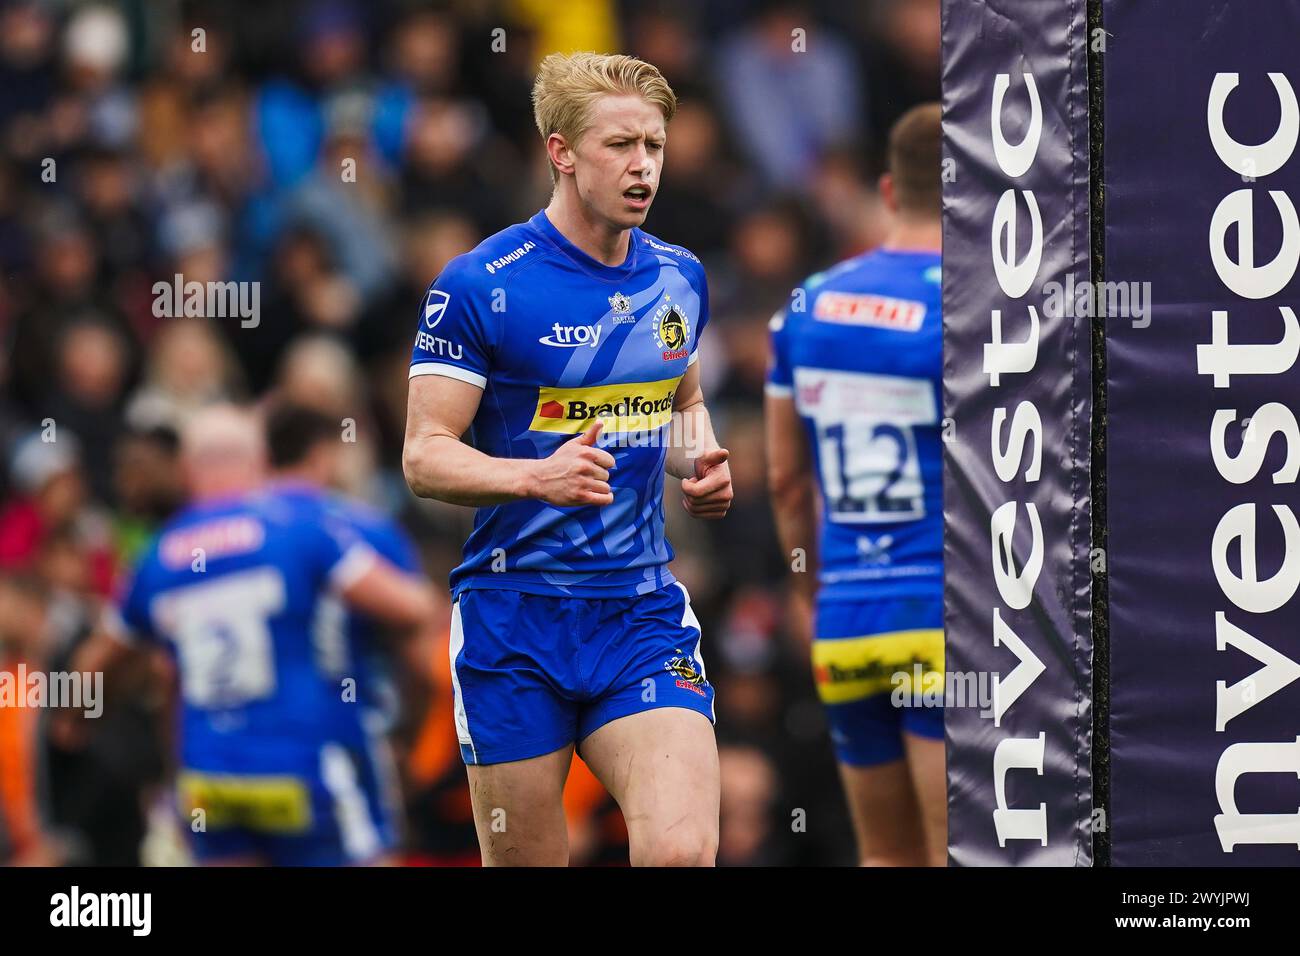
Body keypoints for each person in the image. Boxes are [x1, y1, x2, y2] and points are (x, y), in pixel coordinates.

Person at [402, 52, 733, 866]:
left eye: (654, 145)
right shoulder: (479, 283)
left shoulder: (679, 277)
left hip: (638, 613)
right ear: (561, 152)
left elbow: (682, 401)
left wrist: (701, 461)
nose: (643, 166)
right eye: (620, 145)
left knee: (682, 852)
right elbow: (423, 456)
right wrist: (531, 477)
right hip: (514, 620)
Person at [75, 404, 437, 865]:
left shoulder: (158, 555)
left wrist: (72, 723)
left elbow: (98, 668)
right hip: (306, 769)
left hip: (211, 781)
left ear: (187, 470)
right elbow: (412, 608)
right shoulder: (300, 528)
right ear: (259, 461)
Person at [765, 103, 946, 866]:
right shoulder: (977, 305)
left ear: (887, 189)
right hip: (946, 610)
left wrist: (814, 593)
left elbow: (783, 481)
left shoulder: (805, 306)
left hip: (847, 612)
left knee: (885, 858)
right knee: (953, 852)